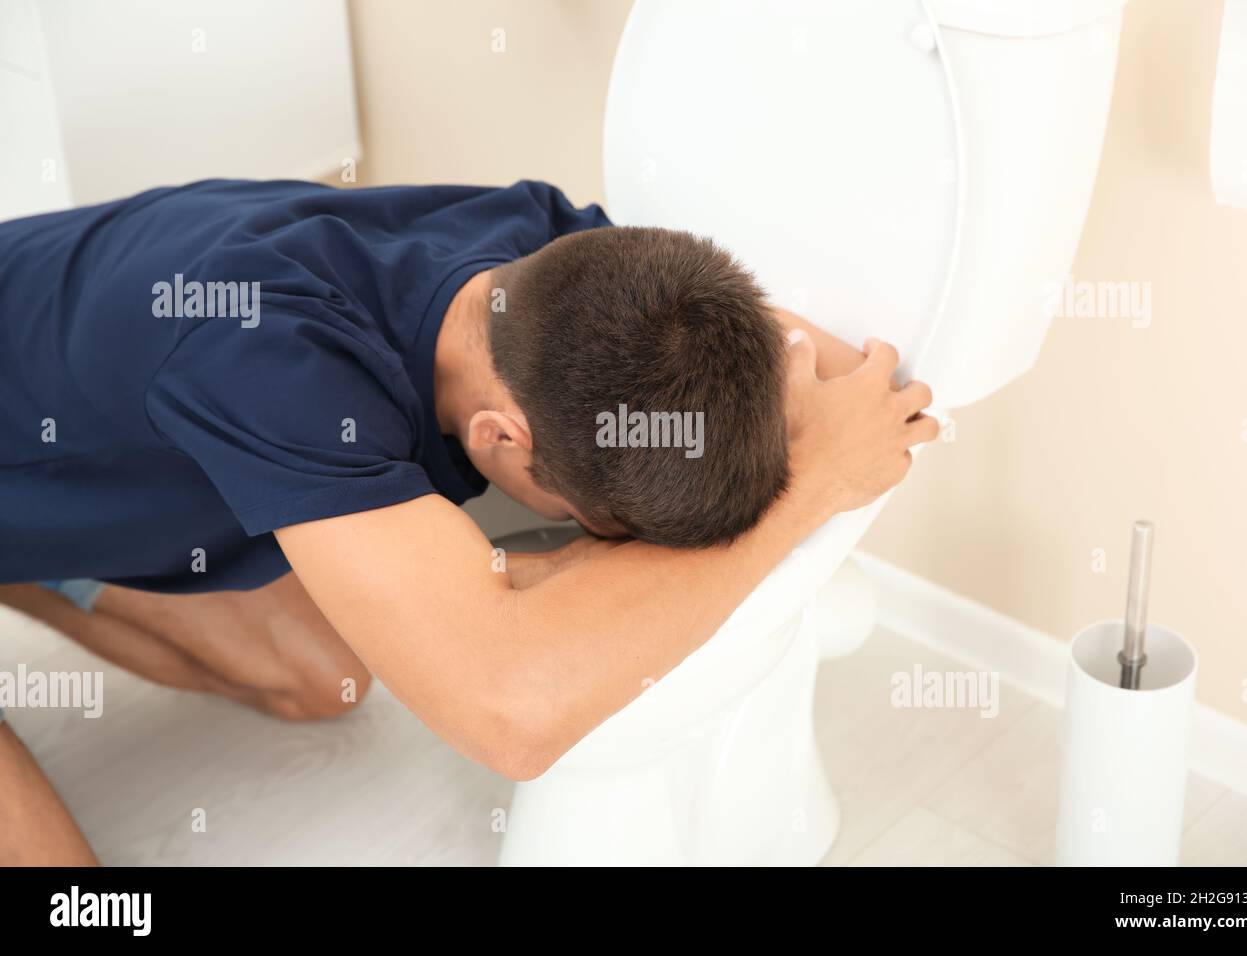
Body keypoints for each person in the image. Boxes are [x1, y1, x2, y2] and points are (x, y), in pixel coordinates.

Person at [0, 179, 936, 863]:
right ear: (502, 437)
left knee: (324, 679)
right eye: (592, 524)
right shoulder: (275, 366)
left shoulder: (551, 263)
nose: (589, 544)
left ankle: (29, 561)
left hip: (55, 407)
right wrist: (809, 489)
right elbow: (512, 719)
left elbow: (843, 373)